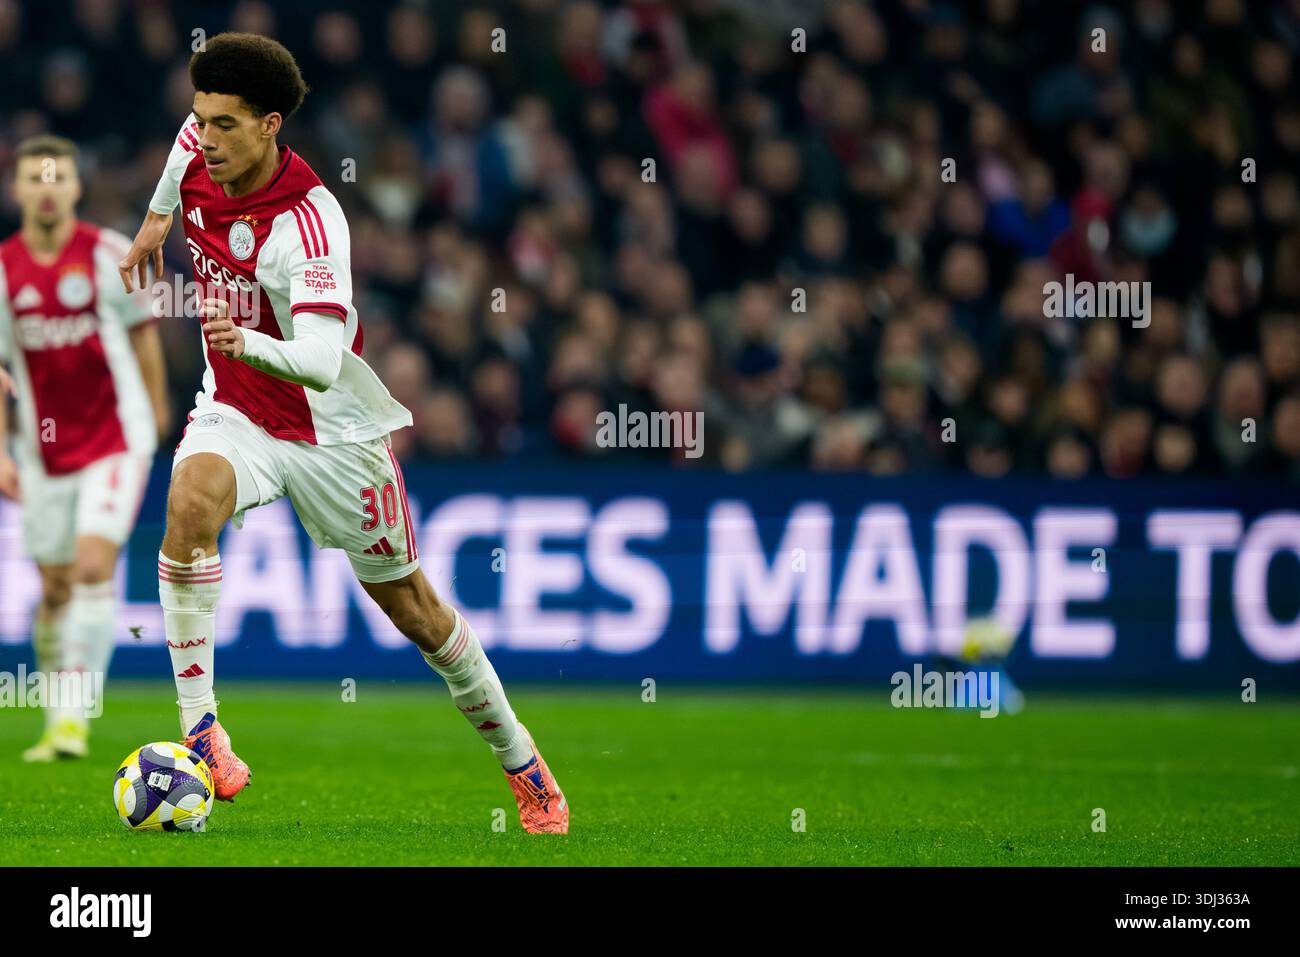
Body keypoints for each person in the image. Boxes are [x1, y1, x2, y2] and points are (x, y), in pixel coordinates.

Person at [117, 33, 567, 833]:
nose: (206, 139)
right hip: (238, 409)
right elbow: (178, 152)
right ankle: (202, 728)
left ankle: (525, 764)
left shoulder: (310, 221)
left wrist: (242, 339)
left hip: (332, 434)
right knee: (187, 502)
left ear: (270, 124)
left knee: (417, 611)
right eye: (201, 120)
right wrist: (155, 223)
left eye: (225, 125)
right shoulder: (197, 148)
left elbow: (324, 359)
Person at [0, 134, 169, 761]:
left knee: (94, 568)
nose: (47, 189)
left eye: (59, 178)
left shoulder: (104, 254)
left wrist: (153, 411)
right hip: (42, 451)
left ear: (75, 187)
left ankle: (73, 722)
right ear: (17, 189)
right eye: (35, 178)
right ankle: (55, 714)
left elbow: (143, 335)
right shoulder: (3, 269)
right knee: (55, 589)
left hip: (114, 437)